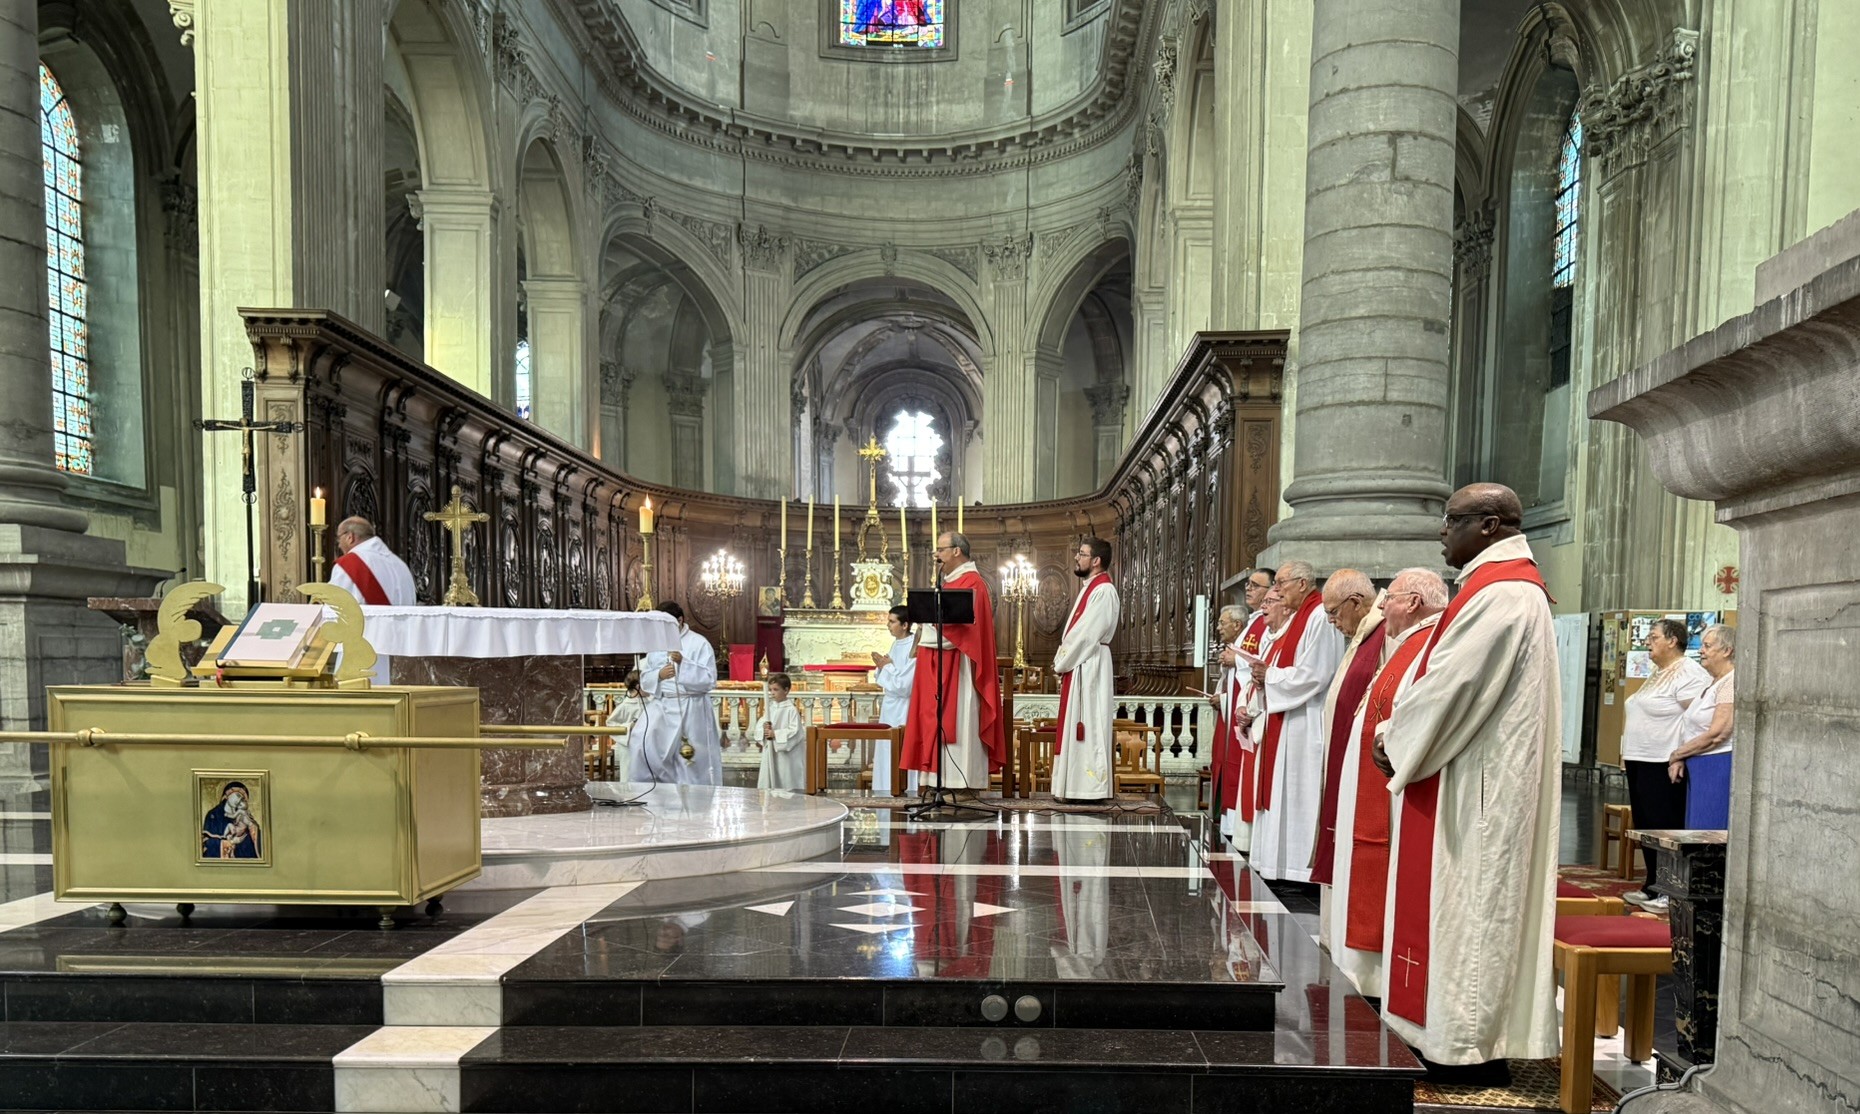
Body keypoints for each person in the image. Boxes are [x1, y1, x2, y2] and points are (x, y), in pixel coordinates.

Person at [1374, 483, 1560, 1083]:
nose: (1441, 532)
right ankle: (1451, 1035)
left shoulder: (1503, 594)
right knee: (1461, 912)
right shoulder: (1497, 588)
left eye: (1450, 520)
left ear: (1488, 526)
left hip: (1478, 788)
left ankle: (1467, 1049)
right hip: (1467, 771)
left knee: (1472, 911)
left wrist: (1392, 740)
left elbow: (1451, 688)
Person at [1327, 567, 1447, 999]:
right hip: (1369, 783)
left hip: (1390, 788)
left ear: (1413, 602)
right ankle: (1361, 965)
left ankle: (1375, 973)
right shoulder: (1409, 645)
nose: (1383, 605)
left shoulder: (1427, 645)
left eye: (1389, 598)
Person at [1249, 561, 1345, 883]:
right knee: (1287, 794)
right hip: (1289, 715)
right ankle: (1285, 867)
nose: (1276, 590)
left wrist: (1271, 675)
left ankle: (1301, 872)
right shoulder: (1298, 619)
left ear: (1303, 584)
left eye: (1281, 583)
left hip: (1308, 719)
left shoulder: (1318, 616)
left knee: (1302, 795)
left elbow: (1316, 673)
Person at [901, 532, 1007, 794]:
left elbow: (964, 632)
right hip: (940, 665)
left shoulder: (972, 583)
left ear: (957, 551)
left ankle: (961, 785)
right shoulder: (949, 582)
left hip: (960, 670)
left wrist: (925, 632)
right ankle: (940, 784)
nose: (937, 555)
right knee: (935, 720)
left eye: (941, 550)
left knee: (960, 722)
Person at [1620, 618, 1712, 907]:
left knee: (1663, 825)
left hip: (1663, 760)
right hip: (1640, 758)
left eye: (1653, 636)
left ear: (1673, 641)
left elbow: (1698, 720)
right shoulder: (1659, 672)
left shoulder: (1688, 673)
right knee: (1646, 825)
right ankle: (1653, 884)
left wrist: (1681, 755)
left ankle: (1670, 889)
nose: (1648, 642)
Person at [1310, 569, 1383, 890]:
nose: (1331, 621)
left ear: (1356, 602)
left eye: (1333, 612)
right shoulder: (1363, 634)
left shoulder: (1384, 633)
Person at [1050, 537, 1120, 803]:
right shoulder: (1090, 587)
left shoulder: (1103, 591)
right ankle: (1073, 787)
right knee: (1080, 724)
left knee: (1088, 724)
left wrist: (1061, 661)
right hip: (1082, 662)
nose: (1077, 558)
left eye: (1082, 554)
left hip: (1090, 663)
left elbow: (1086, 634)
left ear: (1096, 560)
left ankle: (1087, 789)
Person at [628, 602, 723, 785]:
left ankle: (692, 800)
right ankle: (654, 795)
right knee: (642, 742)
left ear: (679, 621)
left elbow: (710, 679)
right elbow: (646, 677)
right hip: (662, 705)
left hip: (691, 707)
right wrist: (658, 675)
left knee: (689, 759)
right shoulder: (657, 645)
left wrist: (684, 664)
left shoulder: (699, 643)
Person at [1217, 569, 1274, 848]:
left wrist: (1234, 660)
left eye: (1255, 585)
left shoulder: (1265, 623)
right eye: (1248, 584)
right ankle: (1233, 824)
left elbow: (1260, 661)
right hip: (1241, 699)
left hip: (1255, 701)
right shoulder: (1254, 621)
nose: (1248, 588)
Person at [327, 516, 416, 684]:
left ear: (350, 537)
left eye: (339, 538)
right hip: (401, 655)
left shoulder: (350, 565)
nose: (339, 545)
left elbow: (333, 608)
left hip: (362, 650)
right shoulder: (400, 565)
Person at [1667, 623, 1736, 830]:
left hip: (1716, 766)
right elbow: (1692, 725)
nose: (1700, 651)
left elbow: (1717, 733)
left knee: (1707, 833)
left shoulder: (1731, 682)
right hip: (1700, 766)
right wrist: (1683, 757)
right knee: (1694, 830)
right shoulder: (1713, 681)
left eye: (1707, 646)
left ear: (1727, 651)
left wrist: (1677, 754)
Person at [870, 605, 919, 796]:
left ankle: (906, 787)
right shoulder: (896, 644)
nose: (888, 625)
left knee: (901, 745)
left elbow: (905, 685)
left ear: (905, 625)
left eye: (892, 621)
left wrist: (887, 667)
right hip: (890, 706)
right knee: (886, 747)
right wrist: (883, 666)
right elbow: (889, 674)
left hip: (903, 707)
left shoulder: (913, 647)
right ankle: (885, 786)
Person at [754, 673, 806, 791]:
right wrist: (764, 728)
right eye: (771, 690)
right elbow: (760, 726)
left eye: (776, 690)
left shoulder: (791, 710)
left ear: (786, 690)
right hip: (771, 750)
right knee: (770, 781)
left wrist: (776, 734)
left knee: (785, 777)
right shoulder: (770, 708)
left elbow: (796, 732)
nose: (772, 693)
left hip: (786, 755)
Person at [200, 780, 262, 860]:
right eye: (238, 795)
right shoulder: (213, 815)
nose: (240, 800)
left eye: (243, 799)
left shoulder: (241, 815)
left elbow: (253, 843)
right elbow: (205, 844)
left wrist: (251, 828)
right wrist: (227, 844)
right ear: (227, 795)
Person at [602, 670, 646, 778]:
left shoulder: (650, 702)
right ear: (638, 686)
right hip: (629, 746)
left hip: (646, 745)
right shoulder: (625, 706)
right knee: (629, 774)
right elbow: (610, 725)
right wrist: (629, 726)